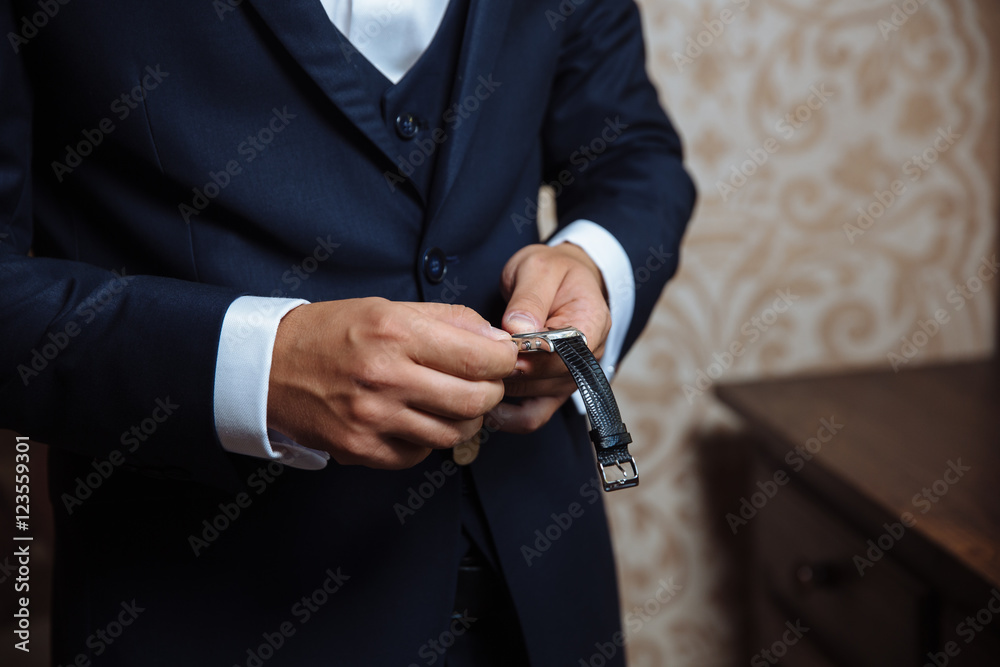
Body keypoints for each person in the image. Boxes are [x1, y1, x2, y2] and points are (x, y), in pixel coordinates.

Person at [0, 0, 695, 664]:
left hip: (546, 586)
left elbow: (632, 151)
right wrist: (260, 366)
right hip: (203, 606)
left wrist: (591, 266)